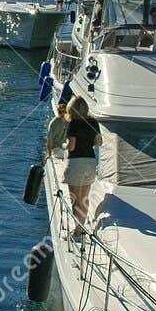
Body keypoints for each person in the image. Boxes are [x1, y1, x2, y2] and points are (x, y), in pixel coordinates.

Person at [62, 96, 101, 238]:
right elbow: (99, 142)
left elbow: (71, 146)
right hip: (91, 161)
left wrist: (64, 145)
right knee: (84, 198)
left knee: (75, 199)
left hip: (77, 162)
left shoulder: (74, 124)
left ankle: (77, 232)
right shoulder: (93, 122)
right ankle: (81, 229)